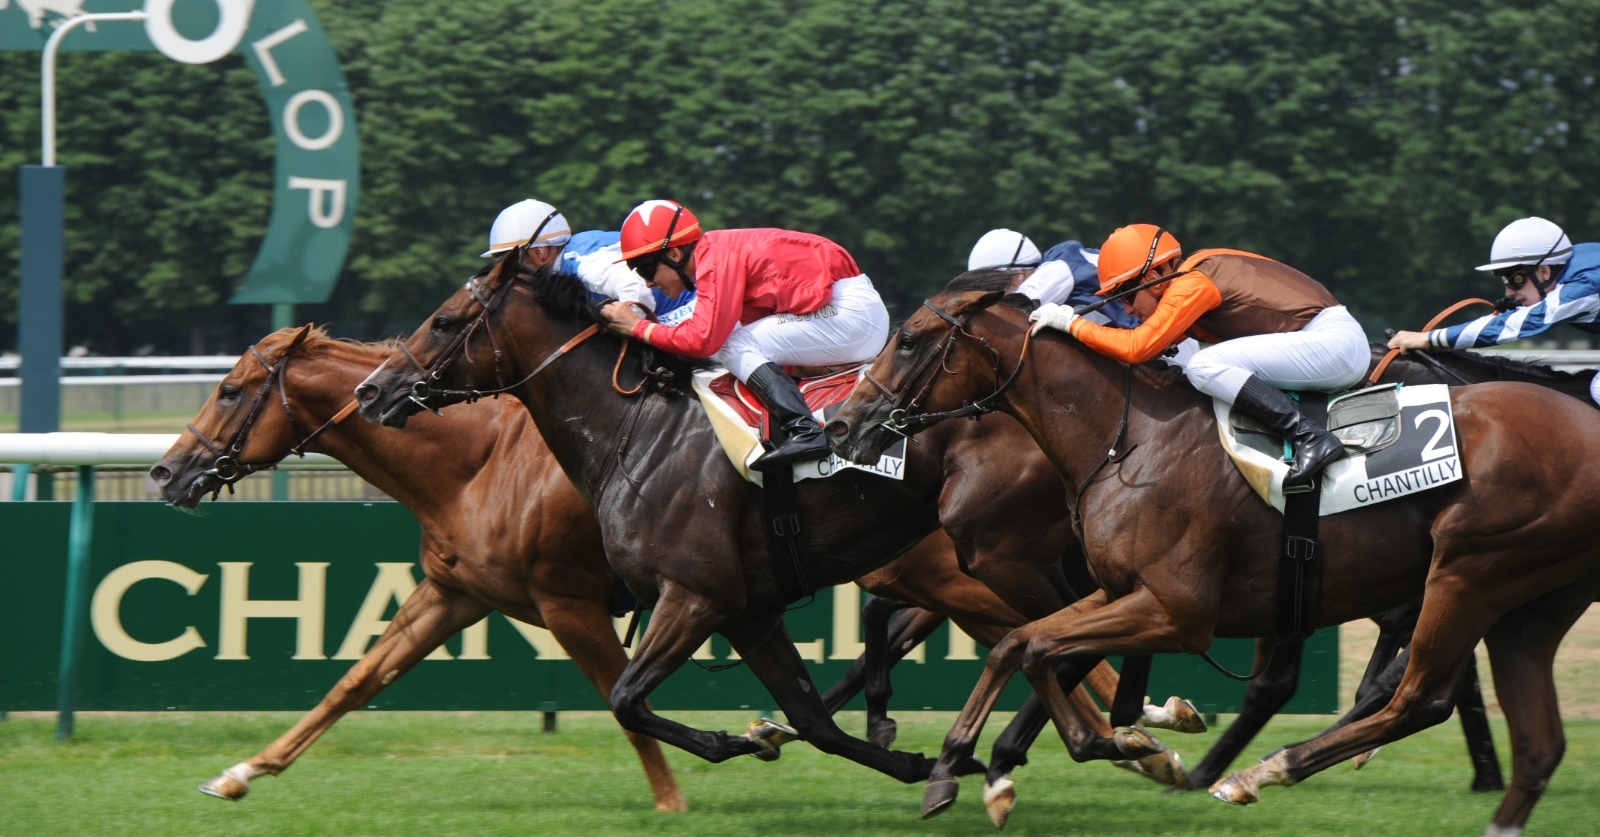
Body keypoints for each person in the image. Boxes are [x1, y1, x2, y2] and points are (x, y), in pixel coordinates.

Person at [1026, 224, 1370, 492]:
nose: (1127, 309)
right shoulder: (1195, 275)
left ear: (1154, 277)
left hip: (1333, 343)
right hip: (1328, 344)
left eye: (1126, 296)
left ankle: (1310, 437)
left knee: (1203, 367)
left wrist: (1071, 323)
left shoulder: (1192, 283)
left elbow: (1136, 348)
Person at [597, 199, 890, 471]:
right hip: (852, 314)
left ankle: (804, 431)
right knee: (737, 339)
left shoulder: (715, 258)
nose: (648, 284)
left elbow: (702, 340)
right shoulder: (719, 254)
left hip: (850, 316)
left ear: (674, 253)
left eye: (647, 270)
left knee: (733, 343)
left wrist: (639, 328)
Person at [1387, 217, 1600, 405]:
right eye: (1505, 280)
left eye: (1516, 279)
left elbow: (1519, 324)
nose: (1508, 292)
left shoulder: (1584, 284)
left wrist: (1429, 339)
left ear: (1544, 271)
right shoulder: (1573, 266)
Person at [482, 198, 697, 326]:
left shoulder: (582, 263)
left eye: (511, 260)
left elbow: (636, 289)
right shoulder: (563, 266)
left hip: (688, 307)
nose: (509, 270)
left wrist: (630, 331)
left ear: (539, 252)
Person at [966, 229, 1139, 328]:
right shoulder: (1057, 264)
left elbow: (1004, 320)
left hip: (1154, 350)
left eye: (989, 288)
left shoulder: (1054, 273)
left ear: (1018, 277)